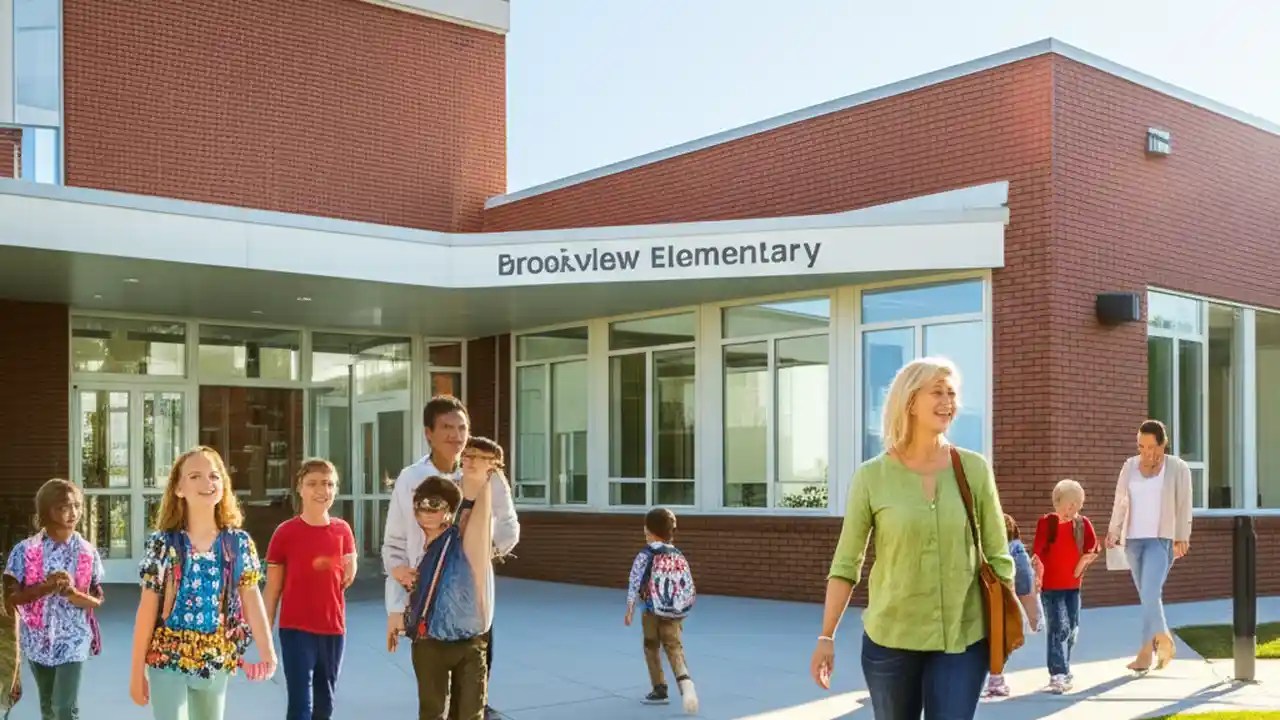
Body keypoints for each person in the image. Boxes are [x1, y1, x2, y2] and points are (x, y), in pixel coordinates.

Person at [810, 357, 1014, 720]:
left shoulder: (974, 469)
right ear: (909, 401)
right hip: (891, 638)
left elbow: (999, 555)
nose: (948, 402)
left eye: (952, 394)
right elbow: (846, 563)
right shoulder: (871, 477)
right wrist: (827, 636)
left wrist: (1003, 625)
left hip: (962, 638)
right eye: (937, 392)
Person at [383, 395, 519, 719]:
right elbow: (394, 545)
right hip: (428, 605)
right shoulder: (410, 479)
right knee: (434, 704)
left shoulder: (488, 473)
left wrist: (485, 549)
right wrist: (395, 604)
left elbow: (509, 527)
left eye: (462, 428)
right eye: (447, 427)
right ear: (428, 432)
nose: (456, 436)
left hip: (474, 604)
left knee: (471, 705)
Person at [129, 446, 278, 720]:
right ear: (178, 488)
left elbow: (251, 599)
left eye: (214, 476)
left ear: (223, 485)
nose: (207, 483)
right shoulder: (163, 544)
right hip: (167, 657)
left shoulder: (237, 544)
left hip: (216, 659)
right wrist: (136, 671)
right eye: (195, 476)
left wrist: (268, 651)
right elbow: (147, 610)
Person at [2, 479, 104, 720]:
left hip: (74, 639)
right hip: (37, 640)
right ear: (46, 510)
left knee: (64, 708)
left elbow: (97, 599)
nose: (73, 513)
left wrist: (72, 593)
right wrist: (45, 587)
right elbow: (11, 600)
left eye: (77, 506)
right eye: (64, 507)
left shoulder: (87, 551)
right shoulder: (25, 551)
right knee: (48, 708)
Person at [264, 458, 357, 720]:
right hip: (296, 631)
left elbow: (348, 568)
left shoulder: (343, 530)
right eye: (313, 483)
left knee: (325, 704)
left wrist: (351, 563)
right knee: (300, 705)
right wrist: (264, 634)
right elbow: (272, 590)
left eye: (328, 484)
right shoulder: (285, 533)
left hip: (333, 629)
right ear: (300, 488)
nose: (321, 490)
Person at [1106, 419, 1193, 673]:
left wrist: (1182, 535)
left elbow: (1184, 503)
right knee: (1148, 597)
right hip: (1133, 541)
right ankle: (1145, 654)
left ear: (1163, 444)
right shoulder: (1130, 466)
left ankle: (1162, 638)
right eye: (1141, 446)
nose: (1146, 452)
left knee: (1150, 593)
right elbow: (1120, 500)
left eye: (1151, 446)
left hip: (1160, 539)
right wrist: (1113, 530)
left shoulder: (1177, 468)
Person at [624, 507, 698, 714]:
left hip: (651, 610)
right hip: (674, 611)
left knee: (651, 646)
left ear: (649, 531)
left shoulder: (645, 554)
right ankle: (687, 685)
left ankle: (659, 689)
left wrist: (630, 608)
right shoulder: (678, 554)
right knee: (674, 647)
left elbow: (634, 582)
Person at [1031, 480, 1099, 694]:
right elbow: (1038, 551)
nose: (1074, 509)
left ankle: (1064, 668)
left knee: (1071, 629)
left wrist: (1085, 560)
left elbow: (1093, 547)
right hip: (1051, 587)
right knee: (1058, 627)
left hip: (1073, 585)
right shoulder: (1047, 523)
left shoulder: (1082, 523)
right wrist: (1036, 572)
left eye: (1078, 504)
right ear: (1057, 502)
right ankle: (1057, 674)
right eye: (1070, 504)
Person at [982, 513, 1040, 699]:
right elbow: (1024, 578)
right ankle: (996, 680)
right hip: (1004, 598)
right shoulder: (1017, 549)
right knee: (1001, 639)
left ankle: (991, 678)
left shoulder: (984, 547)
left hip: (984, 598)